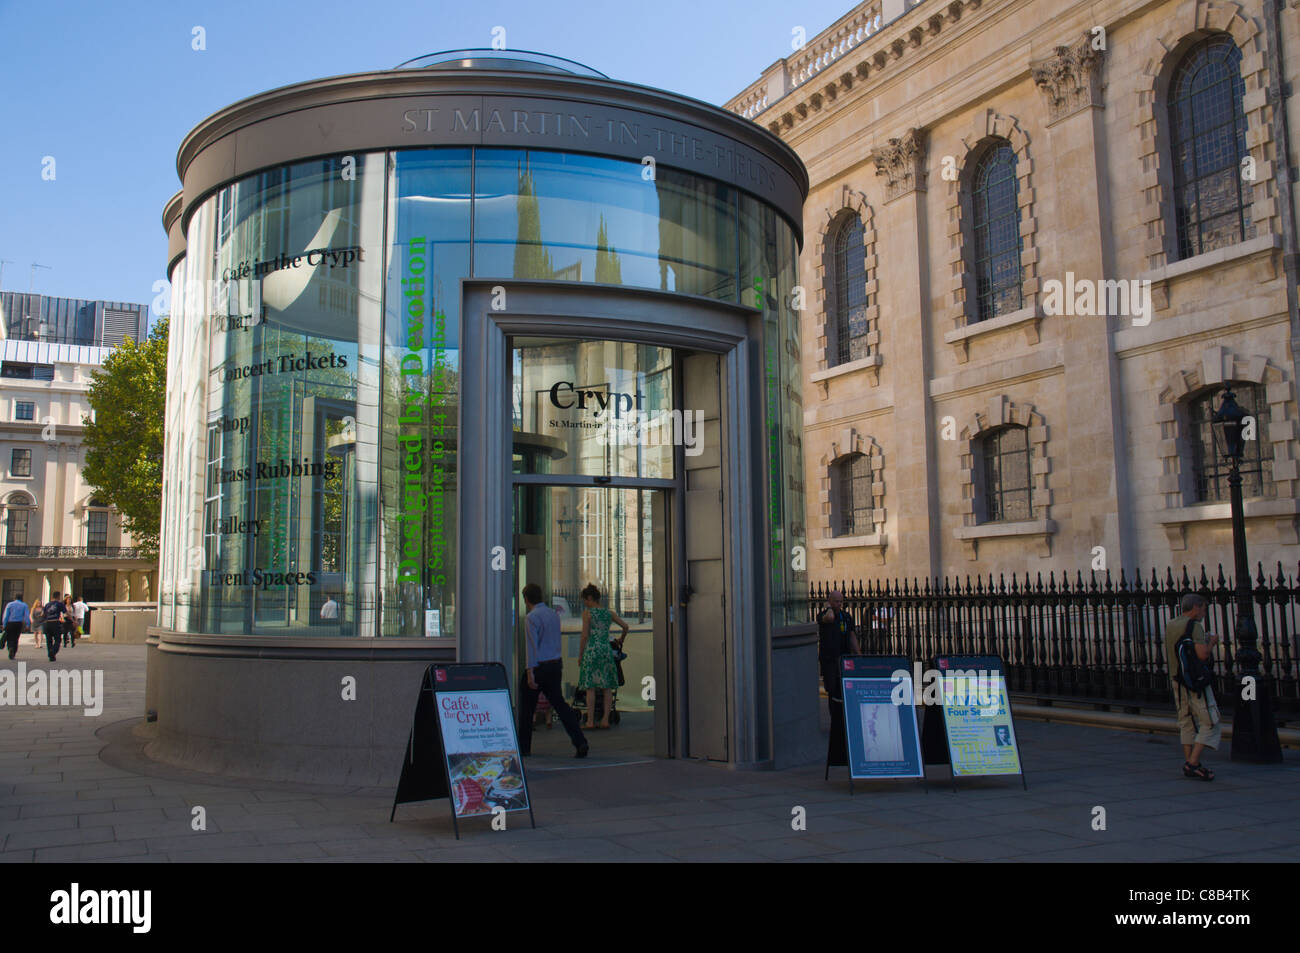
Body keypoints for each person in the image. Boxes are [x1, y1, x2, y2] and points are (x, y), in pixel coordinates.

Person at [517, 583, 588, 758]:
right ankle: (580, 741)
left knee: (527, 708)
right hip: (555, 664)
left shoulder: (531, 618)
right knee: (560, 705)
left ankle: (524, 747)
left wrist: (530, 672)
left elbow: (532, 646)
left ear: (526, 599)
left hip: (539, 666)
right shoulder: (553, 614)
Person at [1164, 593, 1221, 781]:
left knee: (1186, 720)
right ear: (1195, 607)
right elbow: (1203, 655)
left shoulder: (1171, 624)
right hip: (1194, 682)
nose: (1204, 613)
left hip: (1176, 679)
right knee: (1210, 721)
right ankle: (1193, 762)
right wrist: (1211, 642)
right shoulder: (1194, 626)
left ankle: (1190, 762)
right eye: (1203, 608)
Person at [818, 589, 859, 770]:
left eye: (841, 601)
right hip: (829, 661)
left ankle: (844, 720)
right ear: (830, 601)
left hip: (844, 659)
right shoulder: (824, 615)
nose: (839, 604)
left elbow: (851, 636)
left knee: (844, 689)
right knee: (832, 690)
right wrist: (829, 608)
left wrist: (858, 654)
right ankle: (834, 719)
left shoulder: (846, 617)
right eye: (836, 601)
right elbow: (828, 618)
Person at [577, 583, 628, 730]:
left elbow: (584, 636)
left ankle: (590, 721)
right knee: (607, 687)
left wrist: (580, 655)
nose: (585, 603)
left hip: (592, 650)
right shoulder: (609, 613)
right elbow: (625, 626)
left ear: (590, 598)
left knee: (590, 687)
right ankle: (605, 720)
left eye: (585, 600)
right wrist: (621, 639)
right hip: (606, 650)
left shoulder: (587, 614)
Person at [2, 593, 29, 660]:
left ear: (15, 598)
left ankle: (10, 648)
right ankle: (13, 651)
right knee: (16, 638)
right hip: (18, 624)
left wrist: (4, 624)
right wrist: (27, 625)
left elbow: (6, 615)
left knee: (9, 637)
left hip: (10, 623)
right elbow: (26, 616)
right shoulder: (24, 605)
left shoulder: (10, 604)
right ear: (21, 598)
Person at [42, 591, 68, 662]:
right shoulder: (60, 604)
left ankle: (51, 655)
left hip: (47, 623)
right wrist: (71, 619)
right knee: (58, 639)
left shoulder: (47, 604)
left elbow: (43, 615)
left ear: (52, 596)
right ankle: (53, 651)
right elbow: (66, 613)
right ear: (59, 596)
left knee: (49, 640)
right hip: (55, 622)